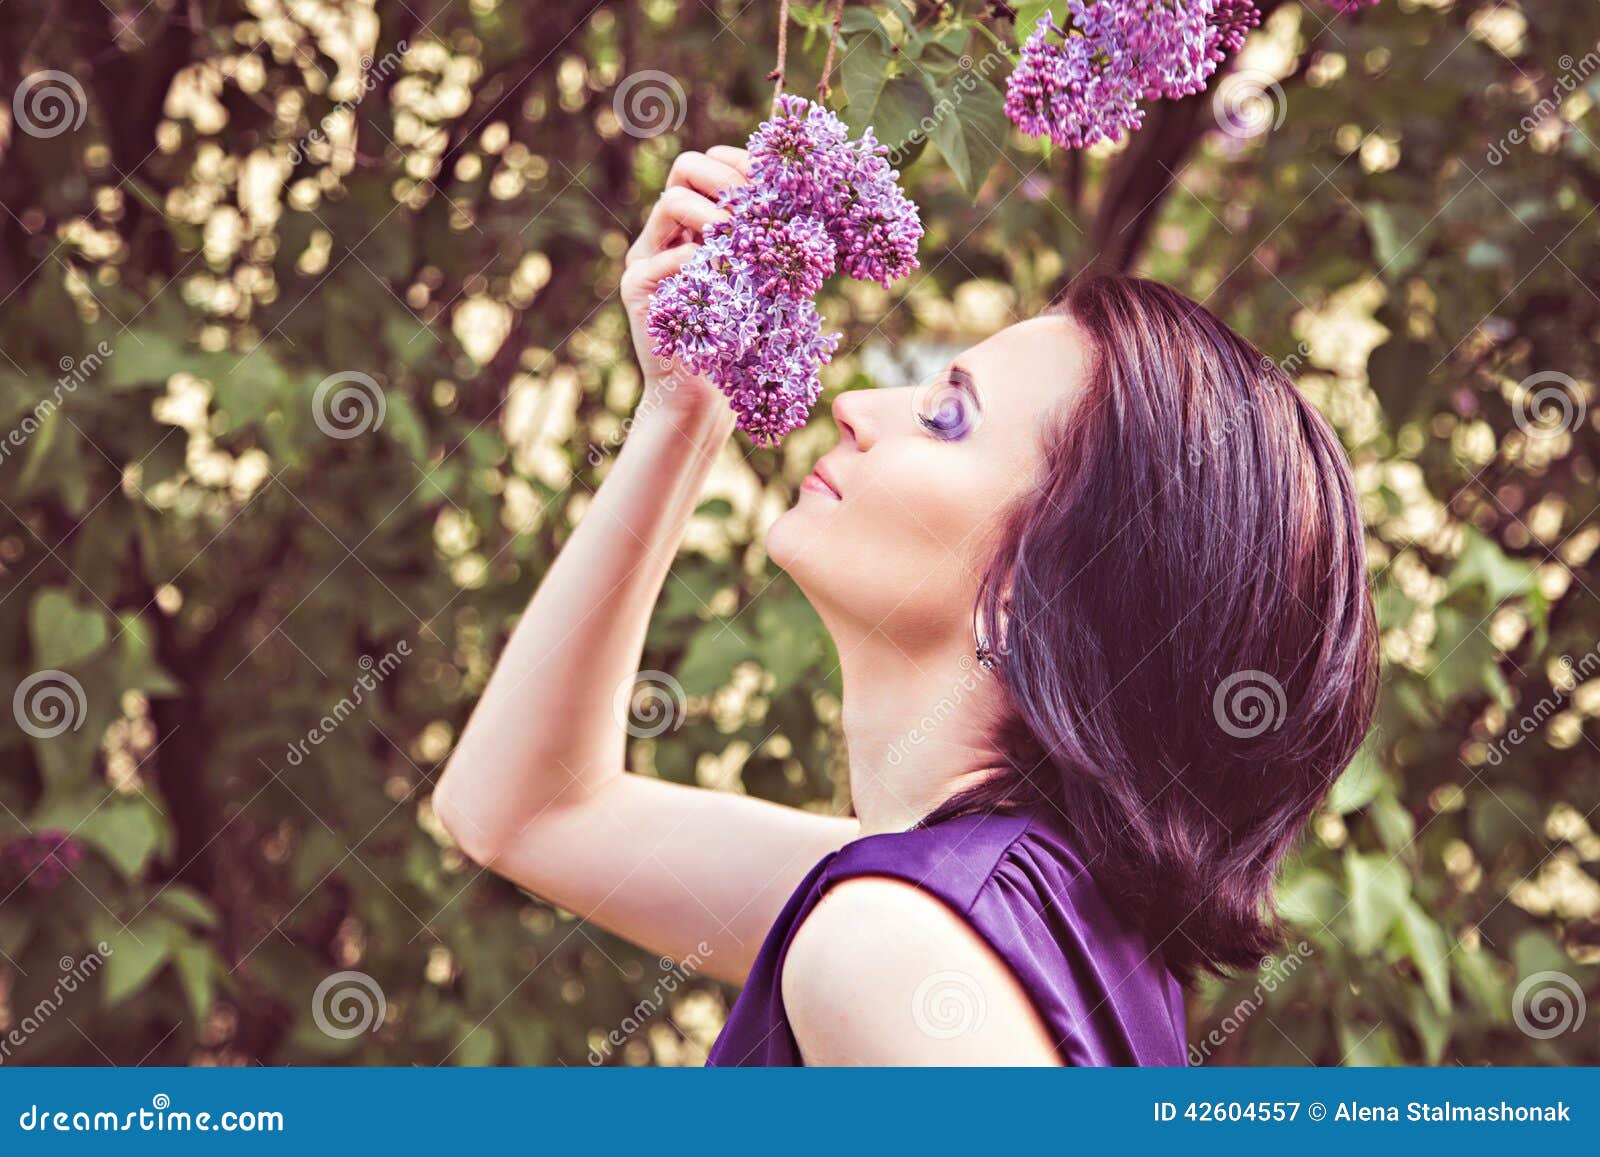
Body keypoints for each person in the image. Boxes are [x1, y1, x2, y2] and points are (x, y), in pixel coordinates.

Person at [432, 144, 1378, 1066]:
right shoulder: (1004, 909)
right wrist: (682, 414)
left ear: (1030, 596)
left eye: (946, 415)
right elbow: (523, 812)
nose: (854, 403)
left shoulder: (892, 947)